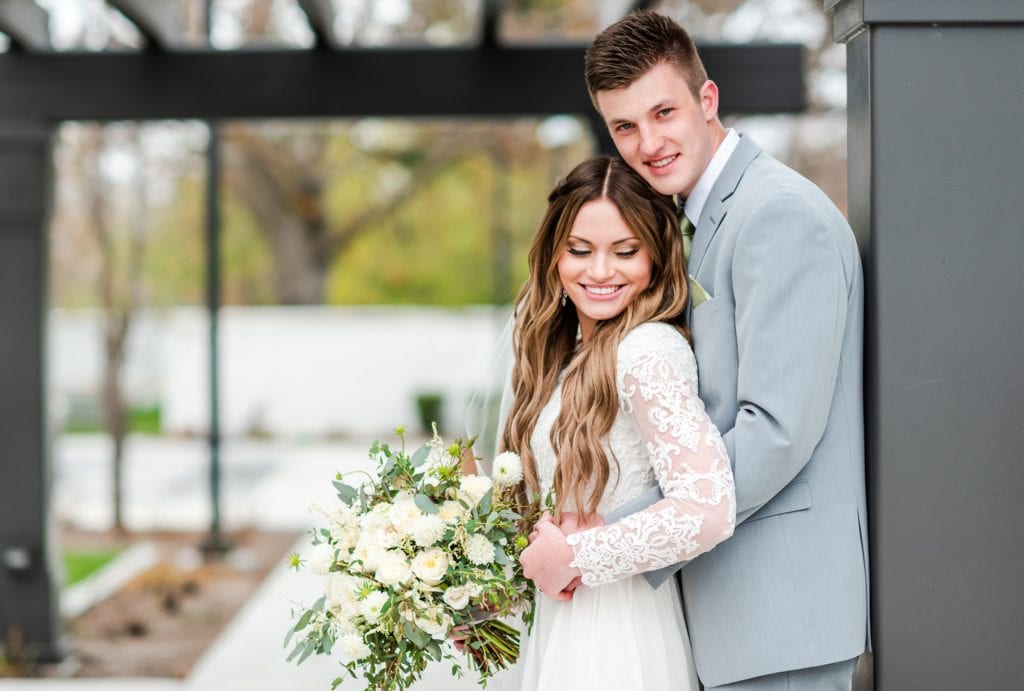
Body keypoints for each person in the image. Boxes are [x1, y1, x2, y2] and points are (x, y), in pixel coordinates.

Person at [521, 10, 870, 690]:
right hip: (729, 614)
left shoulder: (775, 215)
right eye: (624, 126)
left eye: (663, 112)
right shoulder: (702, 217)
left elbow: (776, 432)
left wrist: (598, 541)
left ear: (706, 100)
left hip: (780, 612)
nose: (647, 143)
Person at [503, 154, 736, 690]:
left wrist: (578, 557)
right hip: (565, 620)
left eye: (625, 251)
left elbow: (707, 508)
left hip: (619, 632)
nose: (601, 271)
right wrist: (483, 598)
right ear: (553, 255)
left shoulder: (646, 351)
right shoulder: (562, 355)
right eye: (579, 250)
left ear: (655, 255)